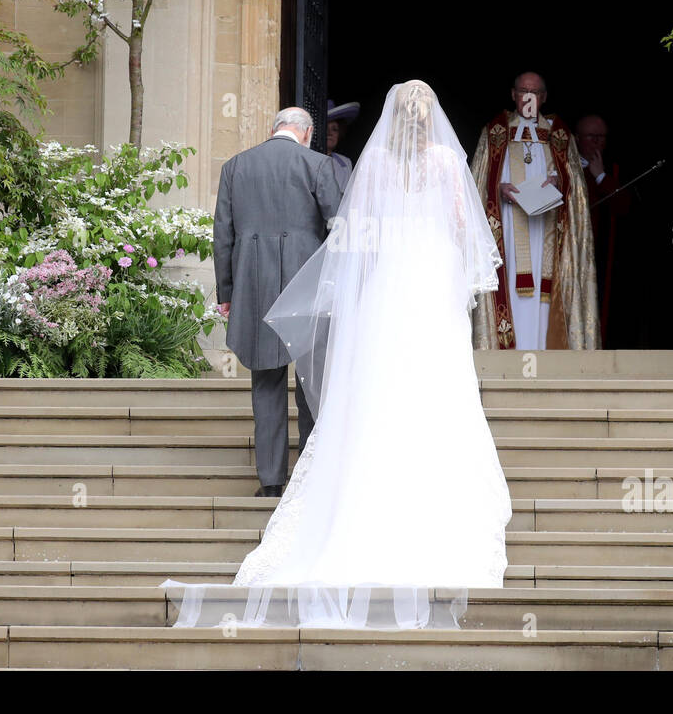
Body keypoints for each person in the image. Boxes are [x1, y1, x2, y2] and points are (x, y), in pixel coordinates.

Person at [165, 81, 512, 629]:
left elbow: (347, 236)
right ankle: (424, 471)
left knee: (367, 378)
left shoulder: (364, 167)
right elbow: (463, 228)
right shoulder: (445, 163)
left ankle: (287, 477)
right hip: (430, 280)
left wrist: (356, 283)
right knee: (428, 379)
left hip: (380, 284)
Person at [212, 107, 341, 498]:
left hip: (254, 288)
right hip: (309, 288)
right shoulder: (319, 165)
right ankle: (309, 479)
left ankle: (270, 482)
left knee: (266, 383)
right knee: (310, 382)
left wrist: (227, 293)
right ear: (305, 133)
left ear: (275, 130)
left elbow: (222, 237)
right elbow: (339, 231)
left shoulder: (235, 167)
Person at [469, 71, 599, 350]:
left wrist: (559, 182)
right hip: (505, 226)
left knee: (545, 289)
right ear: (513, 95)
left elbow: (576, 187)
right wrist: (497, 189)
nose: (528, 98)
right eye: (523, 91)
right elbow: (477, 184)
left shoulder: (560, 134)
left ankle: (546, 351)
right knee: (509, 283)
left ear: (543, 98)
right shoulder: (495, 132)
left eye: (535, 93)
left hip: (547, 228)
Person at [574, 114, 630, 348]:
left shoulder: (612, 169)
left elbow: (623, 207)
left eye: (602, 138)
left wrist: (600, 176)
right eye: (592, 137)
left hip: (604, 254)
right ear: (577, 139)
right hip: (572, 254)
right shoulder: (565, 167)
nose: (598, 143)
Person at [325, 98, 359, 193]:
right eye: (325, 128)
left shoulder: (345, 162)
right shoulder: (309, 158)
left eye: (334, 129)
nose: (329, 133)